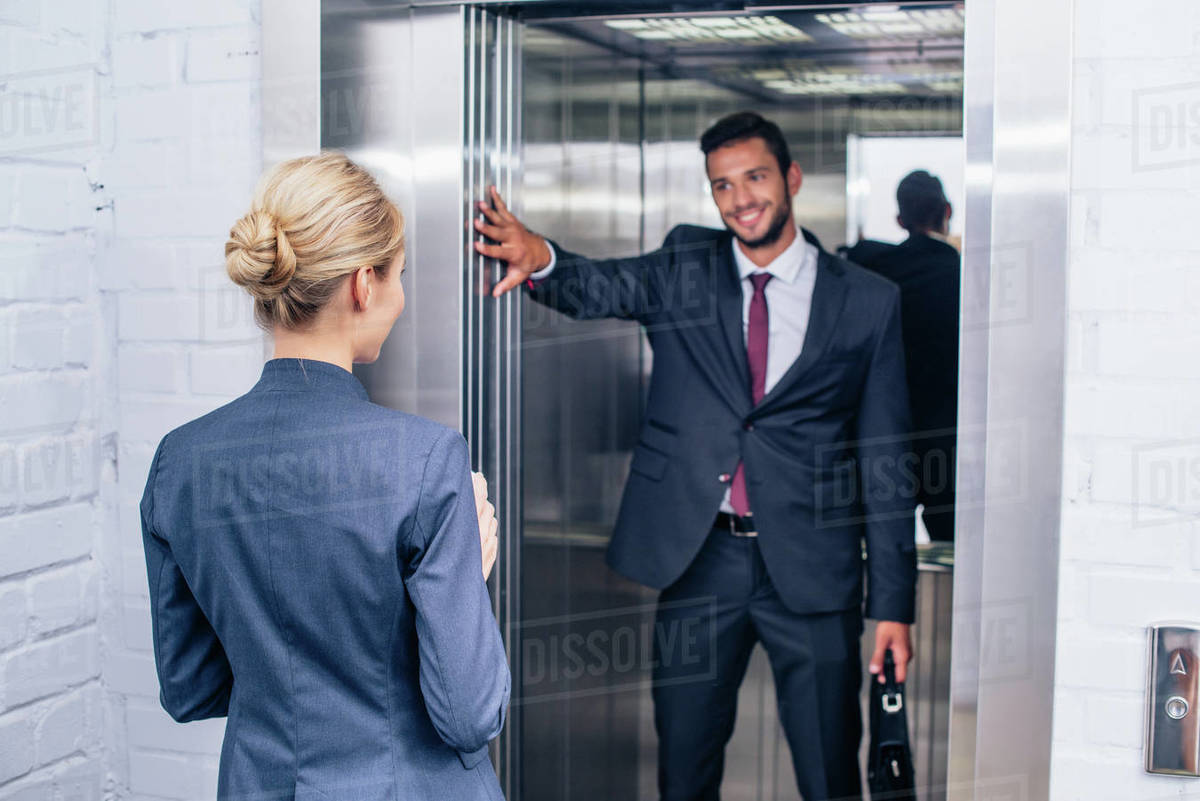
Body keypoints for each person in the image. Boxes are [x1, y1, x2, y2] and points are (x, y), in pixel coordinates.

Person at [477, 111, 917, 801]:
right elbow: (603, 285)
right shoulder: (686, 264)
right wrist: (544, 257)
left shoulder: (867, 301)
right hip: (701, 558)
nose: (740, 199)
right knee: (684, 766)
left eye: (755, 177)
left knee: (830, 771)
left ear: (791, 177)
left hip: (815, 566)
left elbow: (887, 460)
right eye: (722, 185)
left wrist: (894, 605)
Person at [140, 153, 510, 801]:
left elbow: (190, 687)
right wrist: (463, 582)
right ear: (364, 284)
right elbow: (471, 714)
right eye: (398, 275)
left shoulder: (181, 460)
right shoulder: (426, 459)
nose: (399, 297)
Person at [848, 169, 960, 542]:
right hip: (947, 443)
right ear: (948, 210)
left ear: (900, 220)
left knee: (881, 550)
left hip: (884, 440)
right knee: (952, 550)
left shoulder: (875, 270)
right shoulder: (964, 275)